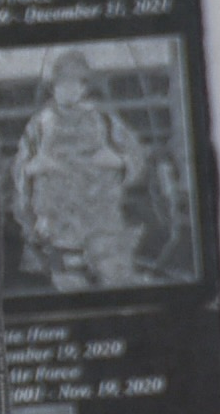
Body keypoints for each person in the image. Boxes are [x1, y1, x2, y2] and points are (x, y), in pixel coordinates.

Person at [10, 46, 145, 292]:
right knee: (70, 287)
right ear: (54, 87)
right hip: (59, 225)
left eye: (76, 84)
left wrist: (117, 160)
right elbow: (20, 169)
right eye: (64, 83)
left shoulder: (104, 121)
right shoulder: (39, 125)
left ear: (84, 87)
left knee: (118, 281)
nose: (70, 90)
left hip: (103, 222)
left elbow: (135, 157)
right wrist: (33, 168)